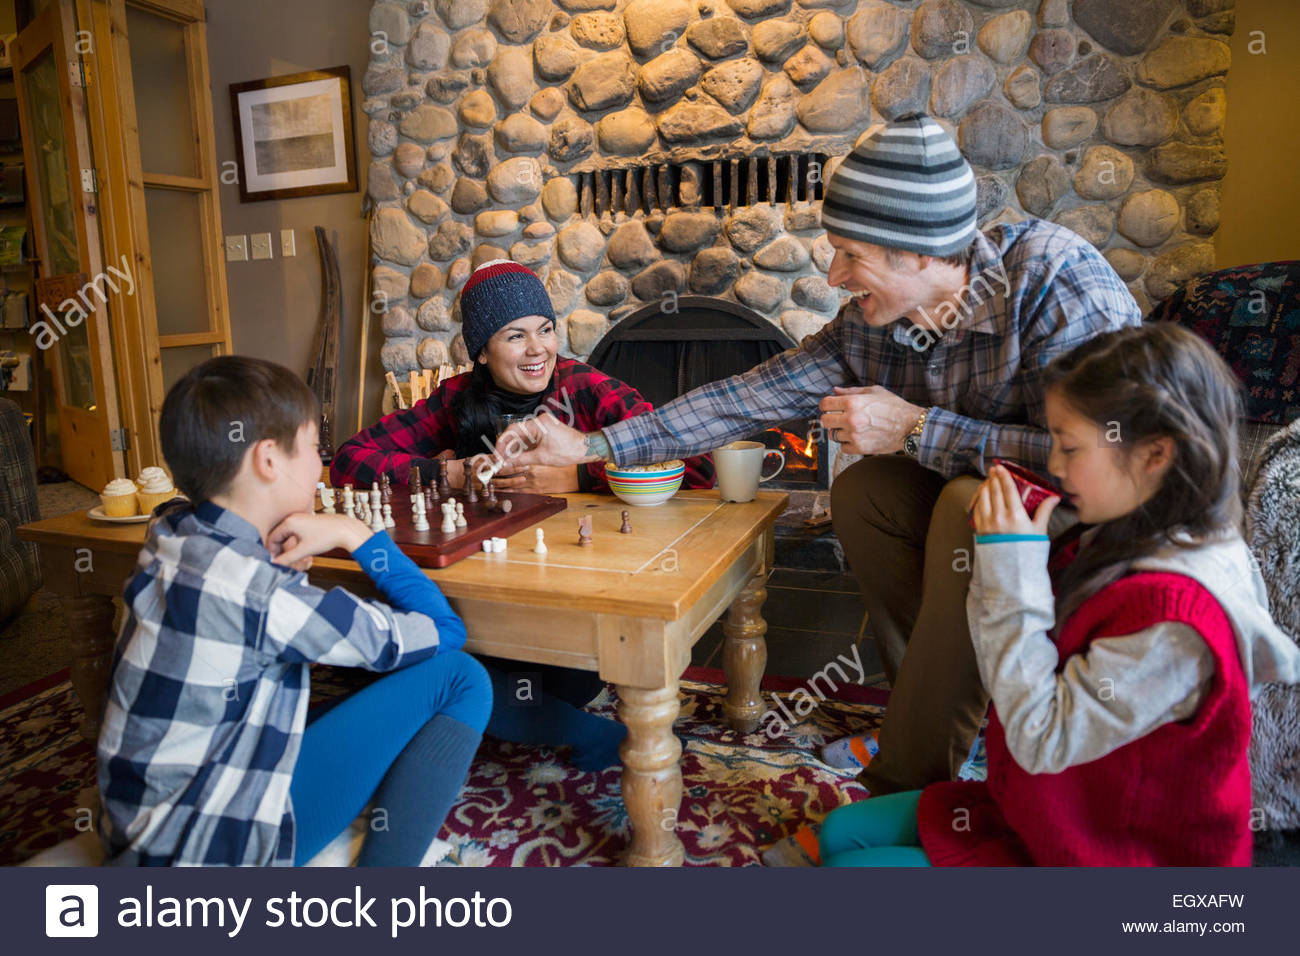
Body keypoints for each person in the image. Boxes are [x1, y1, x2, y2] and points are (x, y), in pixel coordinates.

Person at [498, 114, 1142, 799]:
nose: (834, 276)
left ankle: (905, 785)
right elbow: (742, 400)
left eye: (850, 254)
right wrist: (592, 445)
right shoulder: (867, 329)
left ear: (917, 253)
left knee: (965, 501)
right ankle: (928, 712)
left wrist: (920, 428)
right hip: (991, 518)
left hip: (1099, 516)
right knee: (866, 492)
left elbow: (1116, 456)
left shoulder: (1053, 278)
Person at [817, 324, 1300, 866]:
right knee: (838, 833)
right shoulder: (1127, 529)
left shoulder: (1175, 621)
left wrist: (1010, 570)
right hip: (1048, 807)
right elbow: (1013, 661)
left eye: (1069, 448)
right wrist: (996, 568)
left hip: (1105, 854)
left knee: (847, 868)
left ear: (1154, 456)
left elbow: (1041, 739)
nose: (1054, 466)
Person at [98, 356, 491, 866]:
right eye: (313, 447)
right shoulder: (261, 595)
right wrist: (357, 534)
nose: (321, 462)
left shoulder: (168, 531)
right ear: (268, 460)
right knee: (460, 678)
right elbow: (445, 631)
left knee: (343, 704)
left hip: (137, 832)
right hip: (211, 853)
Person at [332, 260, 713, 770]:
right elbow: (349, 461)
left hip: (572, 622)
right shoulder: (455, 399)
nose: (538, 350)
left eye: (546, 330)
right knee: (418, 653)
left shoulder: (582, 387)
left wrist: (582, 475)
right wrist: (450, 473)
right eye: (515, 336)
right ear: (482, 352)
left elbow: (697, 462)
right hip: (482, 602)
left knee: (423, 664)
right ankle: (529, 714)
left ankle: (568, 727)